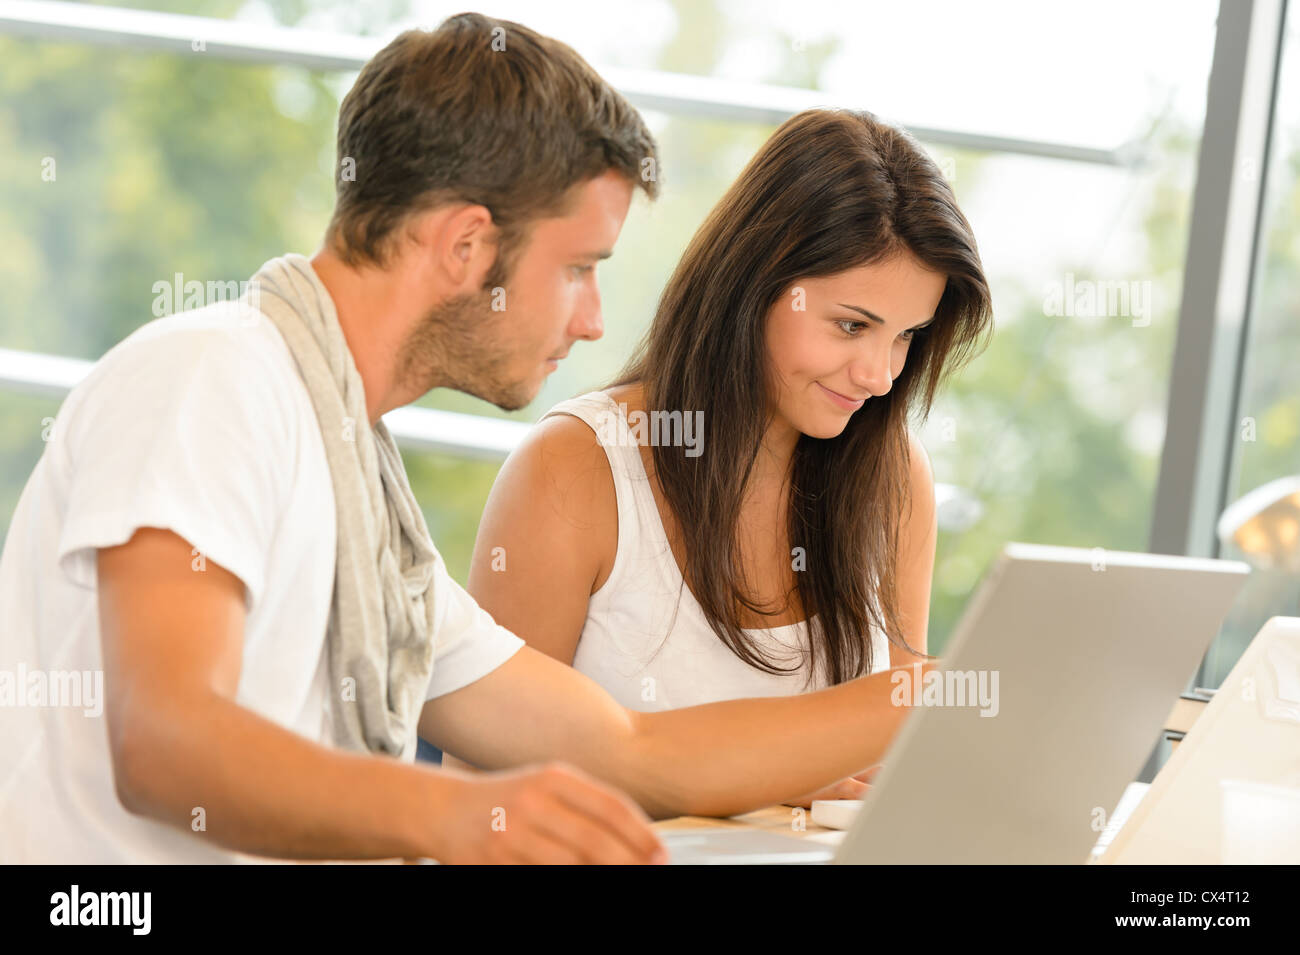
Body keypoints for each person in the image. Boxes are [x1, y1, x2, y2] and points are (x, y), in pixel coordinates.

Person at [0, 14, 941, 865]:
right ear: (466, 249)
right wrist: (459, 814)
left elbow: (630, 750)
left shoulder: (372, 514)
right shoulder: (212, 379)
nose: (592, 321)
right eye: (578, 268)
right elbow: (167, 742)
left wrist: (946, 694)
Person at [454, 109, 994, 806]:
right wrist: (778, 775)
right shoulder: (572, 470)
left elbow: (888, 756)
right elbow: (483, 802)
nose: (880, 375)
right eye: (852, 325)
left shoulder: (892, 474)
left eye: (906, 337)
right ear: (752, 285)